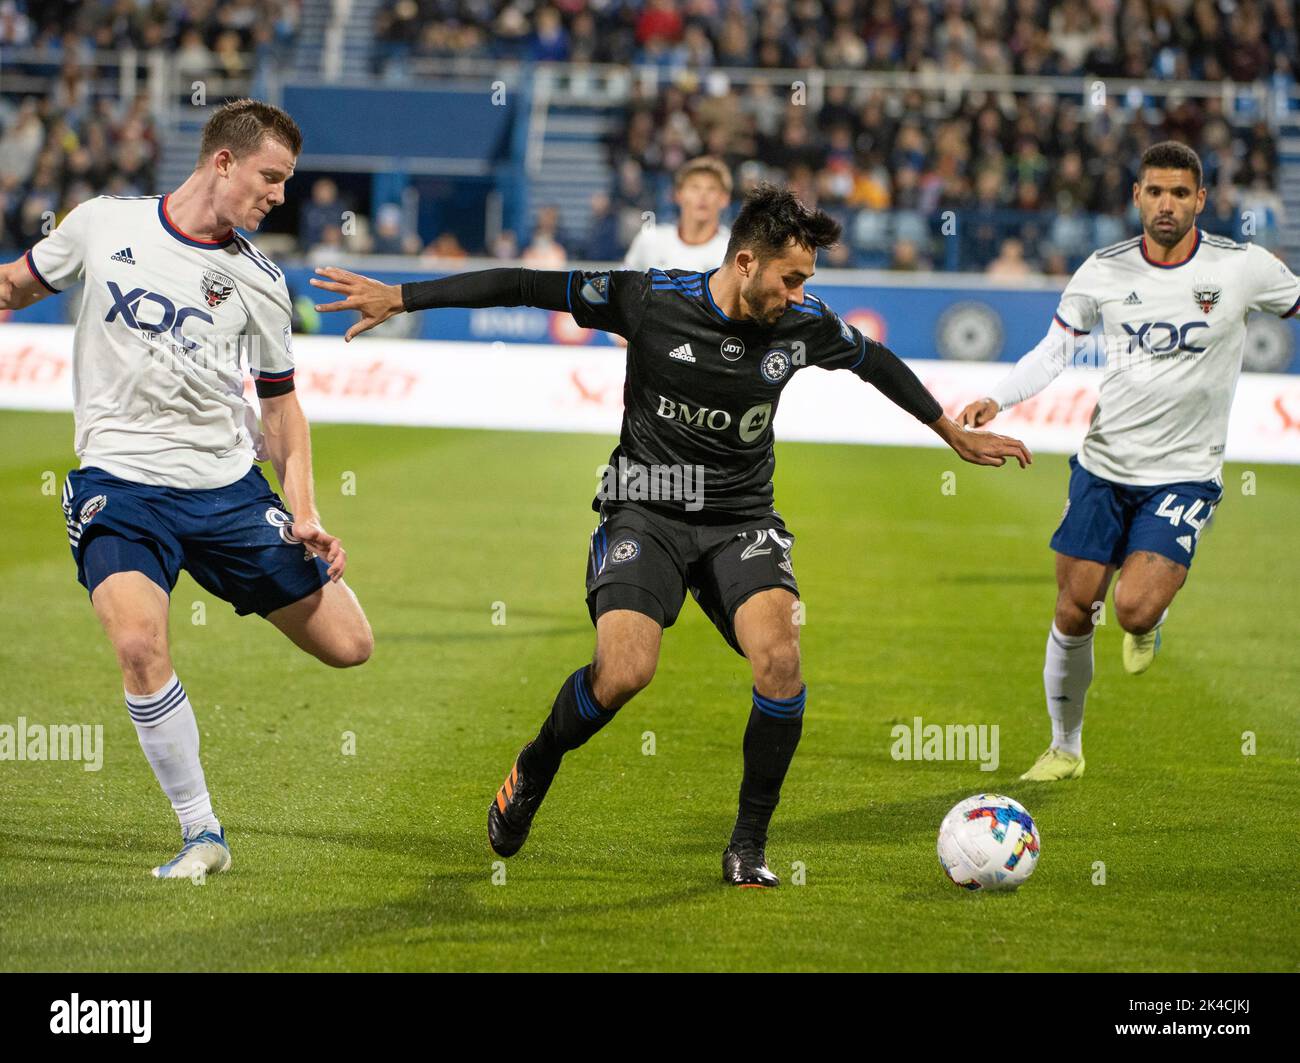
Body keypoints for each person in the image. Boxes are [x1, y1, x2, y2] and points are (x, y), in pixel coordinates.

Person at [310, 183, 1030, 887]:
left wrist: (949, 434)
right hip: (645, 509)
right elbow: (528, 283)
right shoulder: (650, 299)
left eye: (806, 281)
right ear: (746, 262)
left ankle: (747, 845)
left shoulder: (801, 324)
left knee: (780, 662)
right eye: (790, 278)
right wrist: (404, 296)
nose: (798, 294)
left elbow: (874, 361)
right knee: (625, 671)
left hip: (741, 519)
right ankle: (537, 762)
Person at [0, 98, 374, 878]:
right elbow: (15, 287)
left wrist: (303, 509)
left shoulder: (262, 282)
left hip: (226, 488)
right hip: (120, 483)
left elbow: (279, 404)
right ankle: (203, 833)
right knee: (139, 643)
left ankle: (256, 564)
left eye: (288, 182)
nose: (280, 195)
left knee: (351, 645)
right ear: (224, 161)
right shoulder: (103, 222)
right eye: (272, 178)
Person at [958, 141, 1300, 782]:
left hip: (1185, 472)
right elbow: (1053, 352)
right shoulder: (1102, 271)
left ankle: (1151, 622)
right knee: (1072, 609)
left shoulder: (1243, 266)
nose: (1166, 204)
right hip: (1104, 465)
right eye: (1154, 191)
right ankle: (1065, 748)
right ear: (1136, 196)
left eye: (1179, 193)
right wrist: (996, 397)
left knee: (1134, 608)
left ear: (1201, 199)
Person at [622, 155, 732, 272]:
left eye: (711, 189)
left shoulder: (733, 251)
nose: (702, 195)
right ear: (678, 194)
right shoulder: (650, 240)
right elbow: (621, 286)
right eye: (695, 188)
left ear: (724, 199)